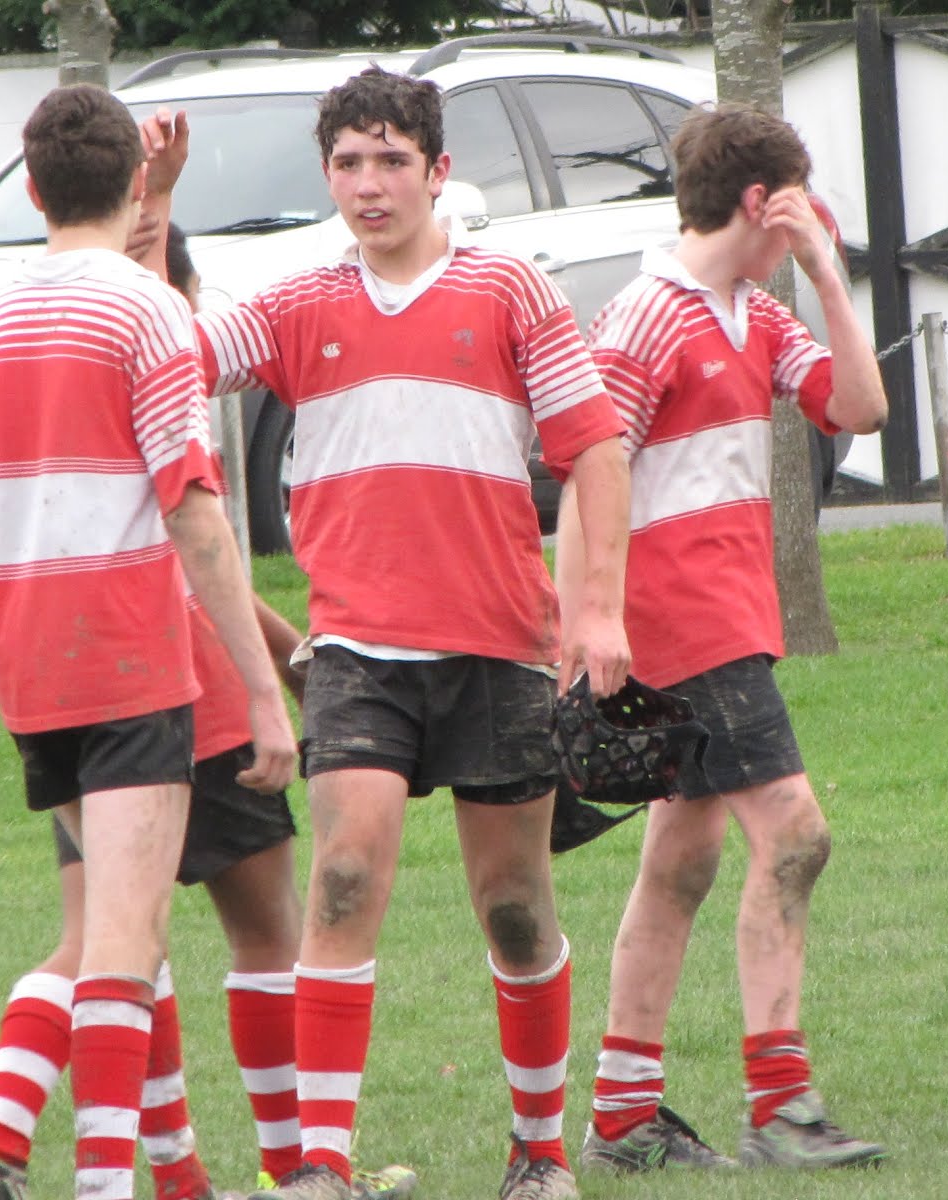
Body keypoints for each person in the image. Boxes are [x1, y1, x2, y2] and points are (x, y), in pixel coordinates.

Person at [138, 64, 632, 1200]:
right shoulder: (300, 299)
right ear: (330, 177)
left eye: (390, 162)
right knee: (347, 874)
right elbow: (167, 344)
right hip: (357, 648)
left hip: (502, 644)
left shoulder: (513, 289)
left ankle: (539, 1153)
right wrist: (154, 210)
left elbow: (595, 452)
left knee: (512, 908)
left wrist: (596, 607)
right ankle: (321, 1166)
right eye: (349, 164)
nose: (369, 185)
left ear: (437, 172)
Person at [0, 83, 298, 1200]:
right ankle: (111, 1187)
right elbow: (193, 511)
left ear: (31, 190)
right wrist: (266, 691)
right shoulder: (148, 316)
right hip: (132, 653)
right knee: (124, 948)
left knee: (110, 935)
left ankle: (101, 1167)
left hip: (27, 668)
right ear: (137, 187)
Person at [0, 223, 413, 1200]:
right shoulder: (154, 376)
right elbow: (203, 565)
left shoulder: (57, 373)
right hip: (185, 695)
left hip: (73, 694)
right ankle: (296, 1174)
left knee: (109, 944)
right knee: (265, 934)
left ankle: (5, 1141)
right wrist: (278, 673)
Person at [555, 103, 889, 1173]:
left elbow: (864, 409)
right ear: (762, 201)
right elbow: (583, 473)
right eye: (795, 198)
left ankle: (621, 1119)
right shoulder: (650, 314)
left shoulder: (754, 311)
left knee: (680, 863)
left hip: (729, 617)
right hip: (683, 623)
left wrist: (828, 278)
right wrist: (587, 624)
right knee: (794, 834)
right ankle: (781, 1106)